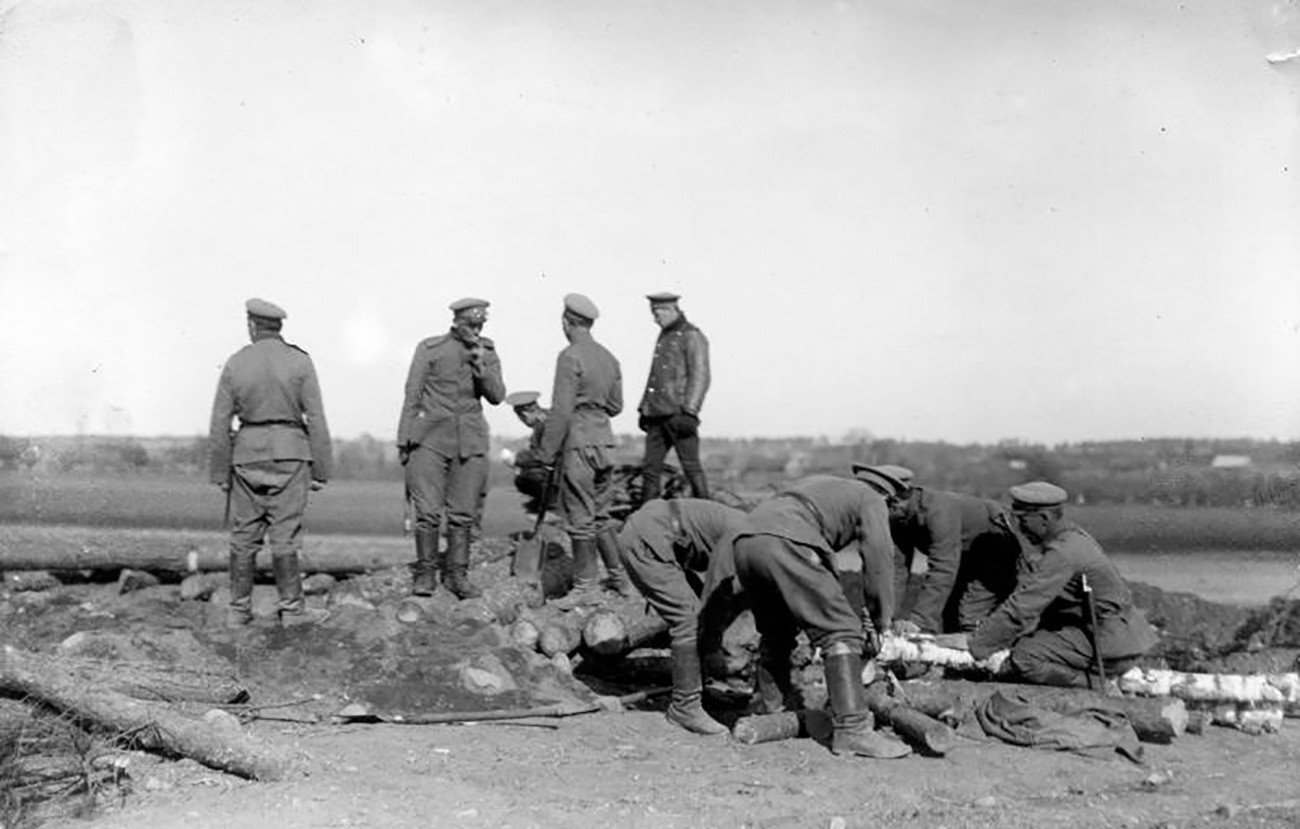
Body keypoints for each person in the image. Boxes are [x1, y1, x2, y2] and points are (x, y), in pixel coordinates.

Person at [698, 474, 911, 759]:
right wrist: (880, 617)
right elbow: (879, 558)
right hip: (787, 540)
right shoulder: (871, 498)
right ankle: (853, 730)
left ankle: (769, 710)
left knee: (777, 631)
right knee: (842, 630)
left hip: (746, 543)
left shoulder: (820, 483)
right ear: (889, 496)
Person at [937, 481, 1159, 688]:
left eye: (1023, 521)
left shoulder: (1062, 553)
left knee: (1024, 659)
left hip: (1110, 644)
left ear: (1043, 518)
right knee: (1025, 644)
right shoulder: (1073, 537)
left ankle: (1094, 684)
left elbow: (1022, 607)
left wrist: (975, 643)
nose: (1021, 528)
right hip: (1118, 635)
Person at [209, 298, 333, 628]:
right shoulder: (300, 361)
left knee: (243, 536)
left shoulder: (236, 363)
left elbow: (220, 421)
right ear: (279, 327)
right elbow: (317, 418)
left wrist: (220, 471)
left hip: (247, 456)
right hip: (292, 456)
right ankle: (292, 611)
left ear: (252, 325)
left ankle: (238, 610)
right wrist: (322, 469)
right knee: (285, 537)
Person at [396, 297, 506, 600]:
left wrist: (481, 365)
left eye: (480, 324)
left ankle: (458, 575)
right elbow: (412, 396)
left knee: (462, 514)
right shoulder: (430, 349)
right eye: (471, 324)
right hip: (430, 440)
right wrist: (403, 440)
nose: (476, 329)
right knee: (428, 512)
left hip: (469, 443)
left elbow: (497, 396)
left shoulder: (487, 351)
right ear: (456, 322)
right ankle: (426, 574)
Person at [617, 498, 749, 735]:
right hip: (648, 540)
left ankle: (700, 691)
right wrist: (712, 647)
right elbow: (720, 595)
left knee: (704, 609)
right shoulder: (750, 540)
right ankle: (685, 706)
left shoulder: (762, 541)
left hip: (669, 540)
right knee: (688, 617)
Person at [535, 293, 635, 606]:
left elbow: (562, 411)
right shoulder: (609, 357)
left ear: (567, 322)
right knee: (602, 517)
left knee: (580, 518)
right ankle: (620, 580)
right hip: (606, 444)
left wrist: (547, 451)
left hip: (579, 446)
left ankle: (585, 588)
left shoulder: (569, 356)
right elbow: (616, 406)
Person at [854, 464, 1023, 635]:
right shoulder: (898, 518)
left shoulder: (939, 511)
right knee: (951, 613)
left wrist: (919, 621)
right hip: (966, 557)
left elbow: (943, 569)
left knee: (970, 612)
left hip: (998, 551)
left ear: (895, 501)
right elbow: (896, 571)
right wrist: (884, 618)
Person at [636, 292, 711, 502]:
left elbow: (701, 375)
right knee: (650, 471)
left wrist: (690, 411)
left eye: (657, 313)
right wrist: (645, 408)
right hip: (656, 415)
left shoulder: (692, 336)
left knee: (691, 467)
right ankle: (646, 518)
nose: (655, 318)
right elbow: (655, 377)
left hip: (678, 416)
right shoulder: (665, 335)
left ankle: (709, 514)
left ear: (670, 310)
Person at [504, 390, 552, 513]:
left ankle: (551, 506)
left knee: (524, 479)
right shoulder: (549, 417)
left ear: (524, 414)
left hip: (561, 472)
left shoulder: (542, 424)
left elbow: (543, 454)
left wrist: (517, 459)